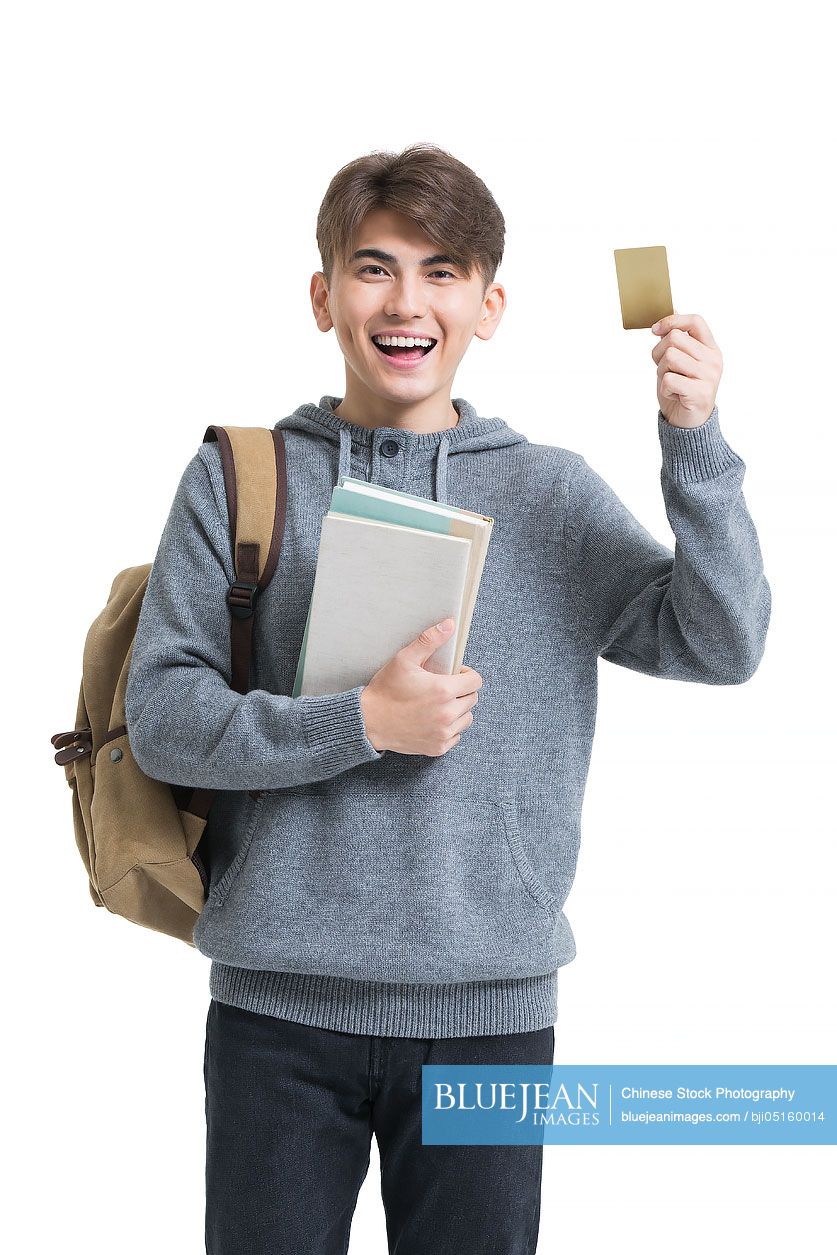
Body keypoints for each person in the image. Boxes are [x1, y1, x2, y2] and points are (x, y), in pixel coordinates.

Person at [125, 143, 771, 1254]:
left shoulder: (550, 493)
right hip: (278, 1009)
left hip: (491, 1010)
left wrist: (694, 445)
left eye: (441, 272)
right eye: (374, 269)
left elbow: (723, 641)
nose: (406, 302)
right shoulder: (242, 479)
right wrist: (358, 724)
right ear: (324, 294)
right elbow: (164, 716)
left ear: (490, 303)